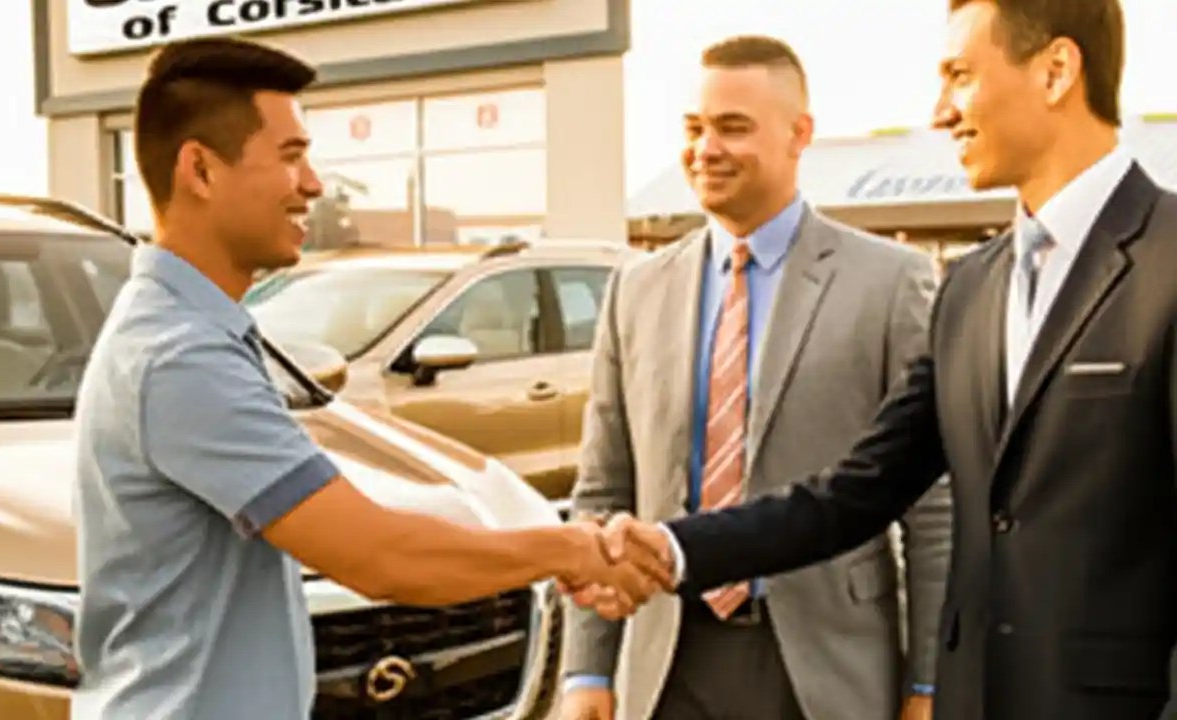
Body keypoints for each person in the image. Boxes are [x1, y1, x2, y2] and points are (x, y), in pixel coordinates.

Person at [585, 2, 1177, 719]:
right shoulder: (969, 288)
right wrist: (672, 550)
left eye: (959, 76)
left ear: (1056, 71)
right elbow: (852, 493)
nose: (940, 113)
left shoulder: (1167, 263)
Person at [69, 37, 667, 720]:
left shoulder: (193, 331)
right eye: (290, 156)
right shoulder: (179, 357)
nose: (315, 184)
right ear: (200, 170)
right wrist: (570, 548)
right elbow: (380, 557)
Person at [559, 34, 953, 720]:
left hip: (830, 667)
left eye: (732, 128)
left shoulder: (893, 283)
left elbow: (933, 510)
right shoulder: (635, 289)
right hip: (667, 660)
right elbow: (603, 488)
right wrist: (586, 671)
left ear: (800, 134)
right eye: (694, 128)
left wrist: (928, 686)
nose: (706, 149)